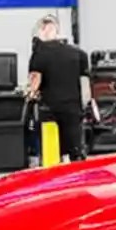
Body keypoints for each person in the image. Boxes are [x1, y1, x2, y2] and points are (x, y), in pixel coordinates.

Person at [26, 15, 89, 162]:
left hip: (50, 112)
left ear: (41, 31)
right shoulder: (79, 54)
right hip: (73, 111)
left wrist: (29, 94)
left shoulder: (39, 54)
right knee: (76, 152)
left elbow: (33, 86)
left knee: (51, 156)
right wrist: (85, 105)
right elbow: (85, 85)